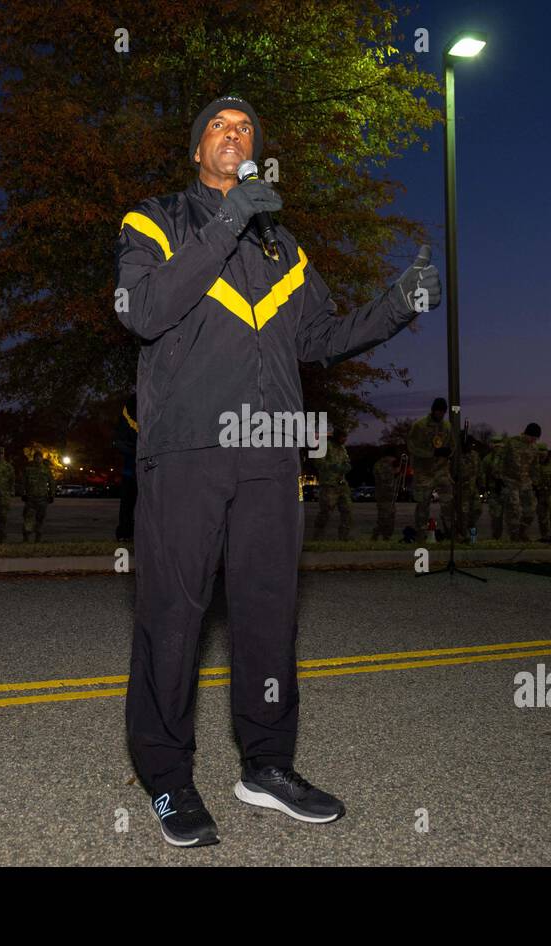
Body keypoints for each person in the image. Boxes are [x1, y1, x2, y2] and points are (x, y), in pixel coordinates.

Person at [114, 95, 440, 848]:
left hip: (271, 452)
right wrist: (227, 223)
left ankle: (267, 765)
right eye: (220, 128)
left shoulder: (283, 248)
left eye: (246, 129)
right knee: (175, 616)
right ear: (198, 149)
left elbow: (321, 337)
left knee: (267, 616)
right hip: (188, 450)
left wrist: (396, 306)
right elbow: (143, 308)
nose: (234, 135)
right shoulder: (154, 220)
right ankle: (166, 777)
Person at [407, 398, 453, 543]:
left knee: (448, 502)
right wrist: (431, 453)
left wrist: (448, 452)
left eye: (443, 412)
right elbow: (412, 446)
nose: (440, 414)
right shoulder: (420, 425)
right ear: (433, 410)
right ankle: (421, 535)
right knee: (423, 504)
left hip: (441, 470)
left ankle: (450, 533)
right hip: (424, 472)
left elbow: (453, 444)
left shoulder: (447, 426)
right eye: (438, 411)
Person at [500, 423, 541, 542]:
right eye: (532, 437)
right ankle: (514, 535)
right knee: (514, 510)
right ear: (526, 434)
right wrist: (499, 478)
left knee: (531, 509)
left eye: (536, 438)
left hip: (526, 482)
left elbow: (535, 467)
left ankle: (522, 532)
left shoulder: (534, 448)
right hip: (511, 481)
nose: (534, 440)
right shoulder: (511, 443)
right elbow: (501, 459)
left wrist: (536, 484)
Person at [312, 428, 351, 540]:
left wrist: (347, 466)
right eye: (343, 437)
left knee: (347, 511)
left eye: (346, 437)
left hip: (342, 484)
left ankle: (344, 538)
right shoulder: (326, 445)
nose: (345, 439)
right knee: (326, 512)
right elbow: (318, 462)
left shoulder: (342, 449)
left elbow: (346, 461)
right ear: (337, 436)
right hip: (328, 485)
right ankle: (318, 536)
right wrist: (332, 466)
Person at [113, 393, 138, 541]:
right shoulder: (131, 404)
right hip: (132, 469)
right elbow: (120, 440)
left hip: (154, 470)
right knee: (128, 503)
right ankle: (125, 532)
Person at [21, 450, 56, 543]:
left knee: (40, 519)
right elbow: (23, 482)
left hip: (42, 498)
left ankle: (38, 539)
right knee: (28, 519)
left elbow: (52, 482)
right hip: (30, 498)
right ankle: (26, 539)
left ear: (41, 458)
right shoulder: (28, 469)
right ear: (34, 458)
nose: (38, 459)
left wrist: (52, 495)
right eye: (36, 457)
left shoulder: (46, 469)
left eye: (39, 457)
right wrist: (23, 493)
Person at [455, 434, 484, 544]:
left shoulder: (475, 455)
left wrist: (481, 485)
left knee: (477, 510)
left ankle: (471, 532)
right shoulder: (457, 456)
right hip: (462, 490)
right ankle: (462, 535)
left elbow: (479, 471)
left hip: (473, 489)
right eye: (469, 444)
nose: (471, 446)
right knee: (463, 513)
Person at [371, 446, 402, 541]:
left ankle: (378, 535)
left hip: (380, 492)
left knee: (383, 514)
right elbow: (397, 473)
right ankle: (385, 536)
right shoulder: (394, 462)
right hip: (390, 492)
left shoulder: (378, 463)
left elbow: (375, 475)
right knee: (390, 515)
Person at [482, 435, 506, 539]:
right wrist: (484, 487)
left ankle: (515, 537)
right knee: (496, 516)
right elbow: (483, 474)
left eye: (499, 444)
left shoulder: (507, 458)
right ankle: (497, 536)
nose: (497, 447)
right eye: (495, 444)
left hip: (507, 490)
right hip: (494, 491)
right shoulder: (487, 459)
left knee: (513, 515)